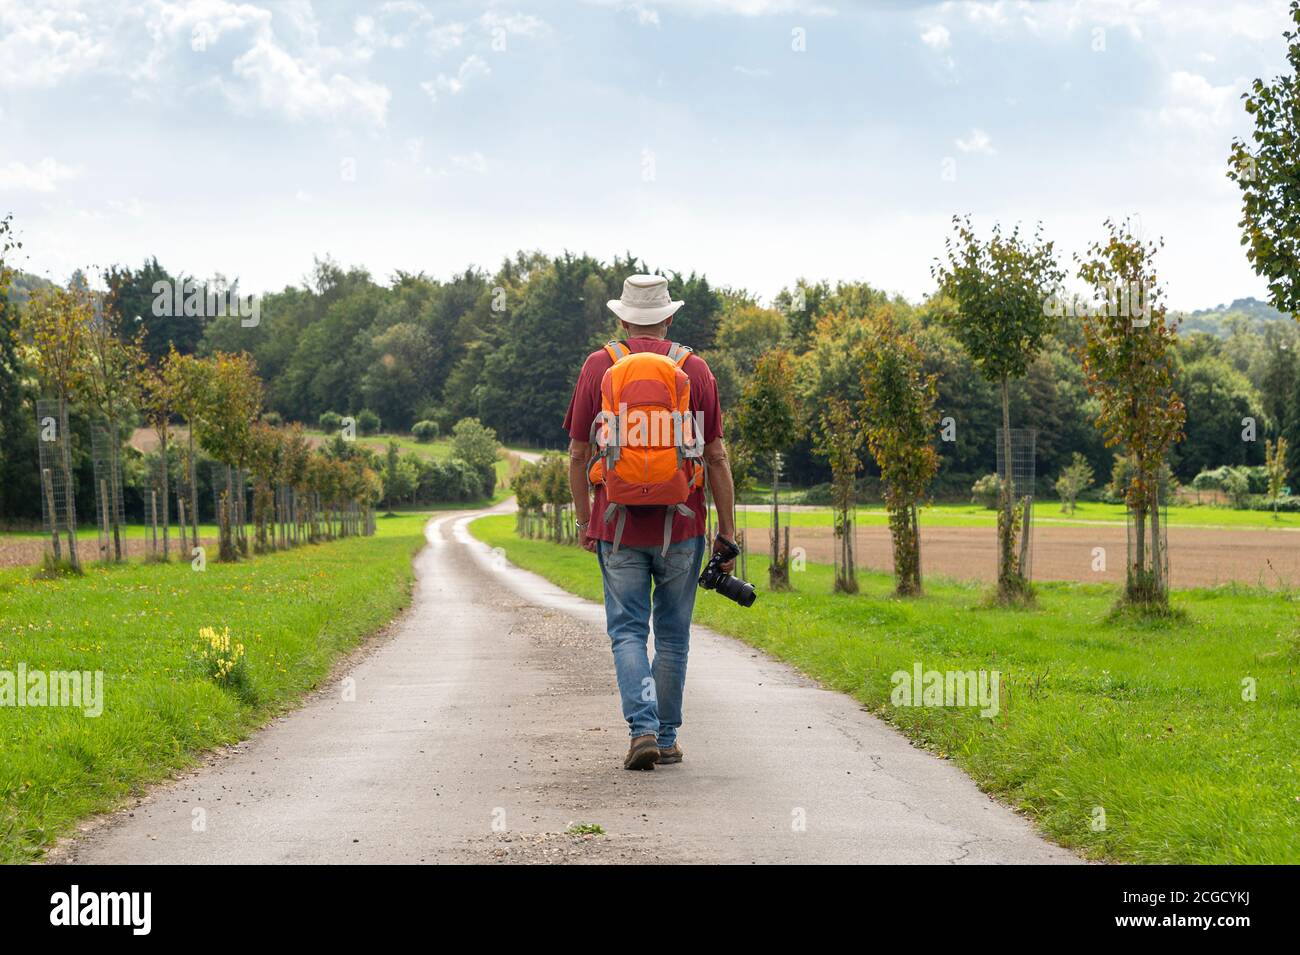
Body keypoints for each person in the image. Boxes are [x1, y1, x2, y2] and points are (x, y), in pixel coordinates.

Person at [564, 274, 738, 771]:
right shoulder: (695, 368)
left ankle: (641, 728)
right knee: (674, 635)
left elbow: (578, 454)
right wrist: (725, 531)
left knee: (627, 632)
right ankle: (664, 736)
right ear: (668, 317)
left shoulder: (599, 365)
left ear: (621, 316)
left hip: (616, 526)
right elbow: (717, 456)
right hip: (682, 527)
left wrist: (584, 520)